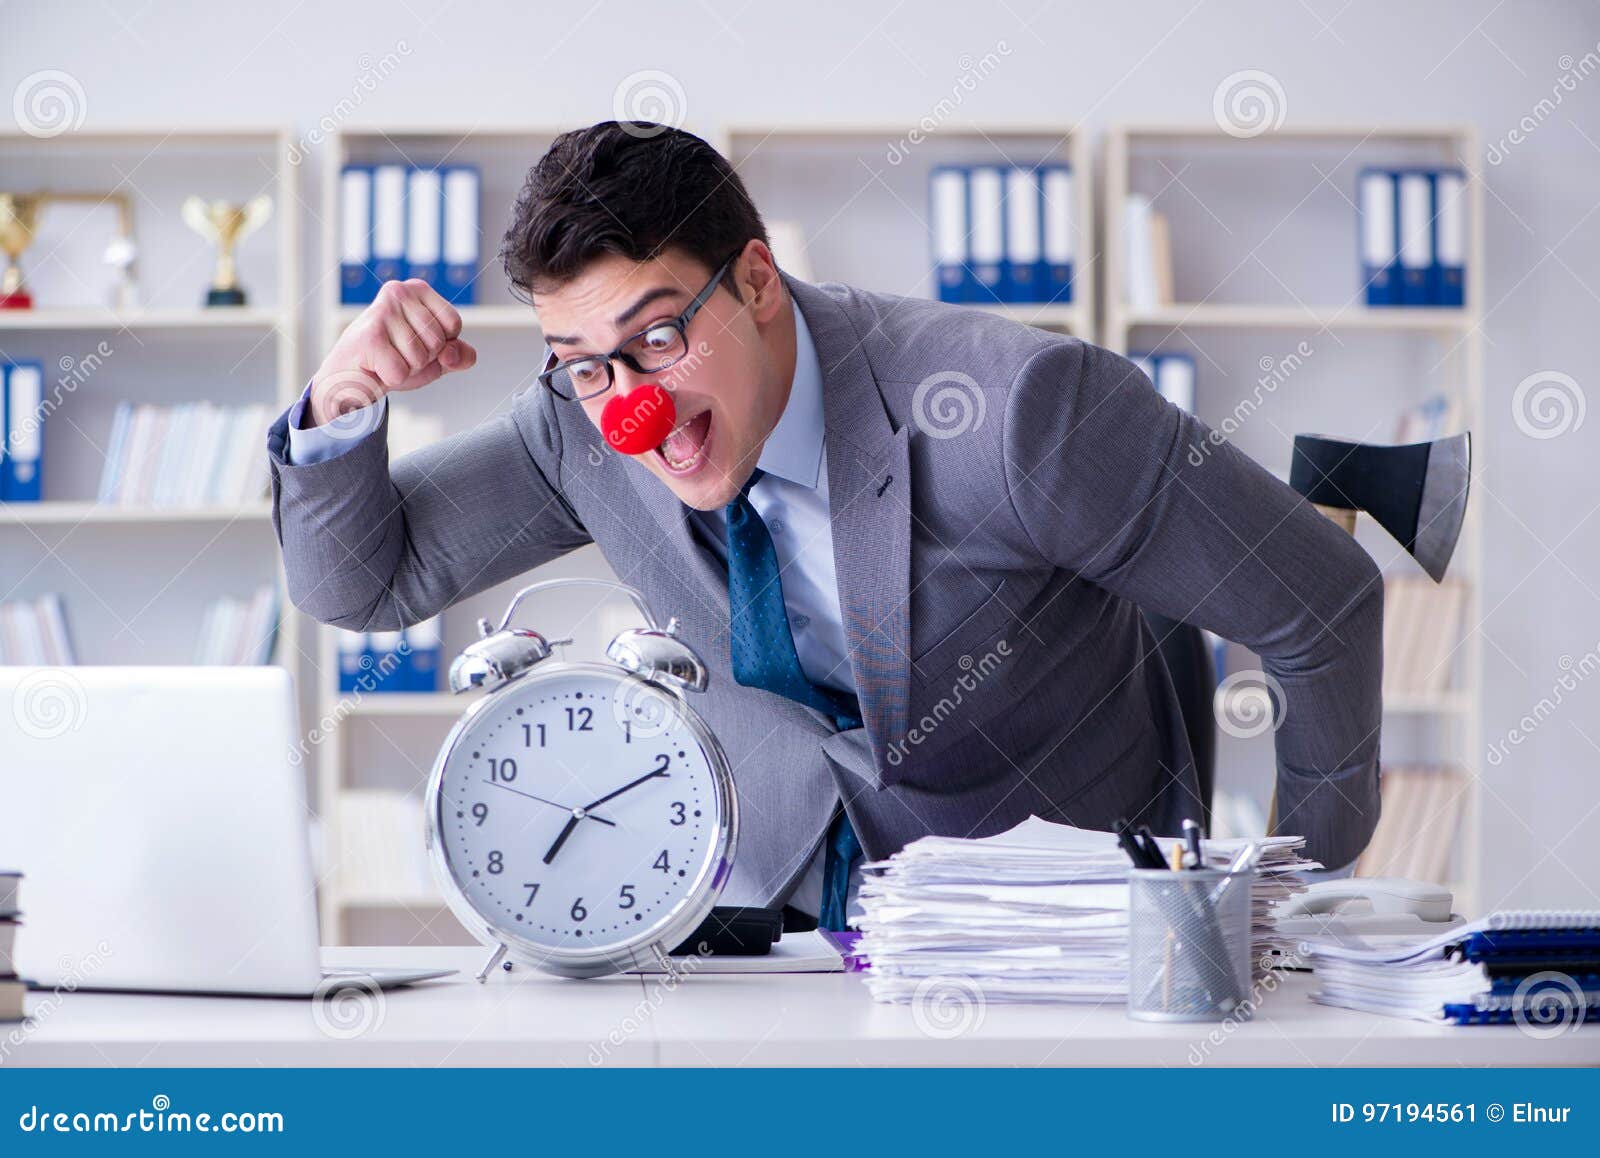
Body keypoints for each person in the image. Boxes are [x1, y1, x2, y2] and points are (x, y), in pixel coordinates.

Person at [268, 121, 1383, 931]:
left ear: (755, 280)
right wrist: (335, 411)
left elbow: (1320, 604)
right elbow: (366, 585)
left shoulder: (1021, 413)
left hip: (1053, 949)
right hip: (774, 933)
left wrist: (1291, 916)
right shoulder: (579, 428)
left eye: (657, 341)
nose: (632, 410)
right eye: (584, 363)